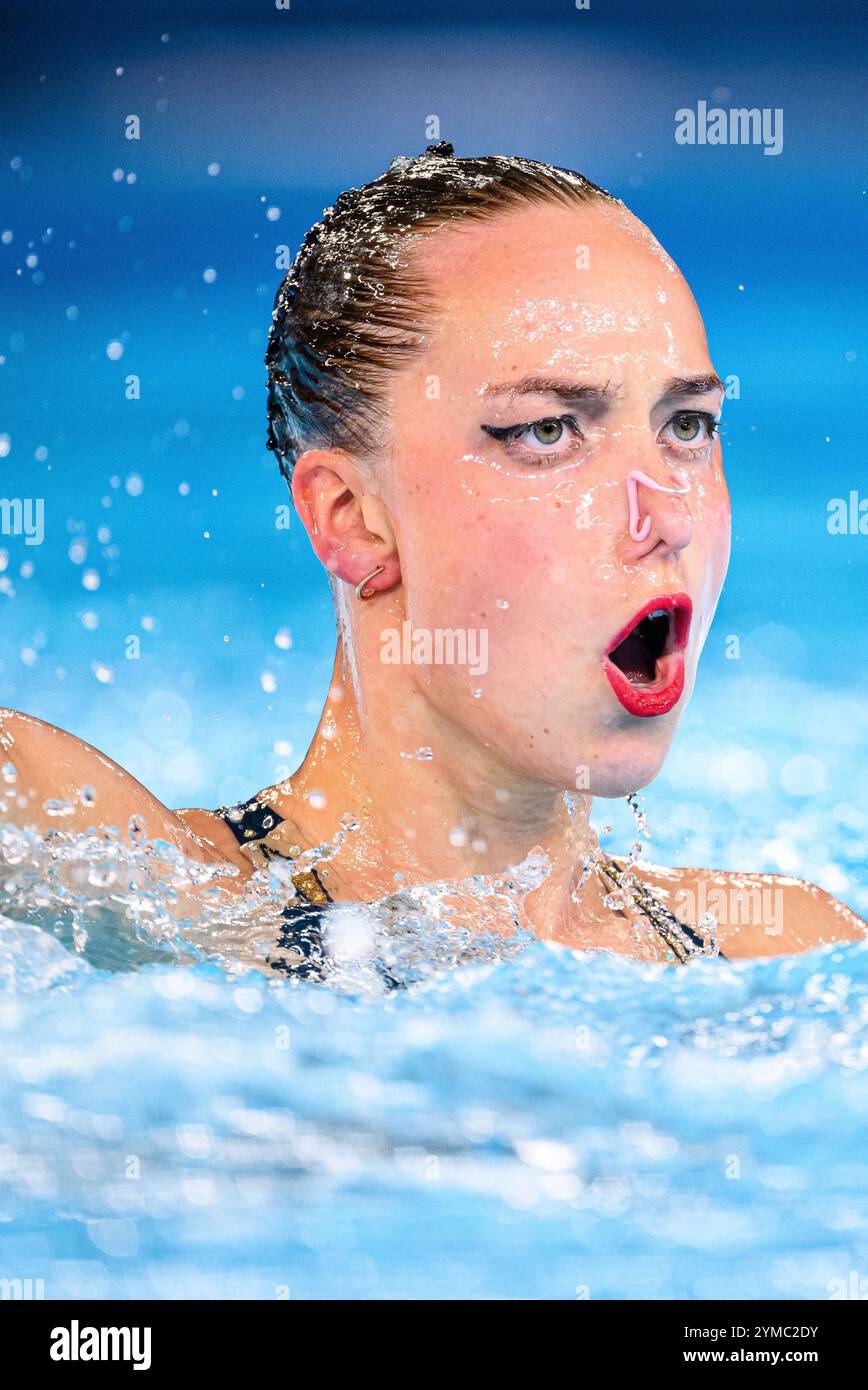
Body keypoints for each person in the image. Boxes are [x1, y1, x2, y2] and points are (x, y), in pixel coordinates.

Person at [1, 144, 863, 970]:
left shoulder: (782, 945)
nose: (667, 514)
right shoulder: (144, 882)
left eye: (687, 426)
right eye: (547, 431)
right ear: (353, 519)